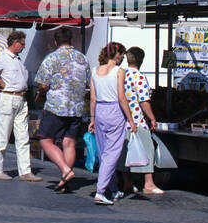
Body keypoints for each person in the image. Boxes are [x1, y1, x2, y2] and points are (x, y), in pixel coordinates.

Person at [34, 26, 92, 192]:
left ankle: (66, 170)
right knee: (69, 143)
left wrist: (41, 93)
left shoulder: (52, 58)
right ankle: (64, 181)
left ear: (55, 42)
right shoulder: (83, 59)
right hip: (77, 107)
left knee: (45, 139)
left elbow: (43, 84)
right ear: (72, 40)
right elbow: (88, 82)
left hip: (56, 106)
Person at [0, 30, 40, 182]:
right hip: (8, 97)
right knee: (3, 135)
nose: (24, 46)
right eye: (22, 44)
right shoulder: (2, 57)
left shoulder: (18, 59)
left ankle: (25, 171)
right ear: (15, 43)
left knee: (23, 136)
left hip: (20, 98)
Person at [89, 42, 136, 206]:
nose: (123, 57)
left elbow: (93, 98)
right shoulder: (119, 71)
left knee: (104, 153)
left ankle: (113, 188)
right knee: (113, 152)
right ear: (117, 55)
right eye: (122, 54)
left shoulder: (95, 71)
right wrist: (130, 120)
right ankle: (101, 191)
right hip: (114, 110)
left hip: (100, 110)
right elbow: (122, 97)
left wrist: (92, 119)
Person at [123, 47, 163, 195]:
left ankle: (127, 182)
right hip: (137, 119)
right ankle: (149, 183)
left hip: (123, 119)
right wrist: (152, 118)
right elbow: (144, 101)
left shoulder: (121, 75)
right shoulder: (139, 77)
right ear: (141, 60)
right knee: (147, 149)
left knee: (126, 151)